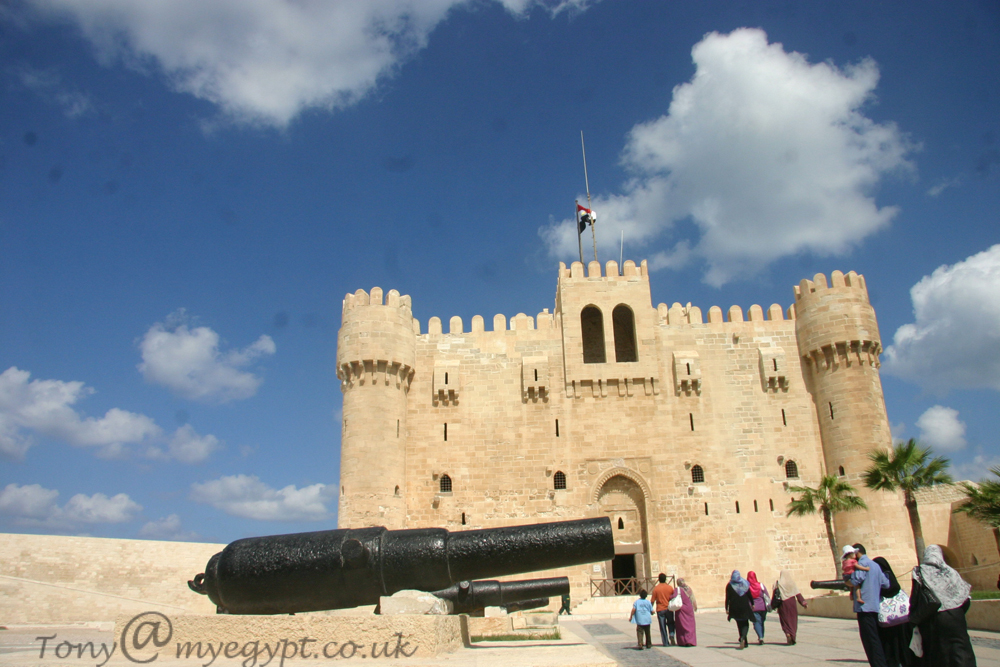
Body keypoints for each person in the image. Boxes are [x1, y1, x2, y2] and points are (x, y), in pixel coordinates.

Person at [911, 544, 976, 666]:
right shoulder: (950, 571)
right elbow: (964, 596)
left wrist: (914, 617)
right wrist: (957, 611)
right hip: (955, 615)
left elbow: (916, 596)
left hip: (934, 617)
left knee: (939, 651)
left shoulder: (920, 571)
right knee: (961, 647)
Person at [851, 543, 891, 667]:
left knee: (870, 641)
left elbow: (856, 580)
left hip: (864, 608)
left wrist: (849, 577)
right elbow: (886, 584)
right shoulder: (875, 566)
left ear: (857, 553)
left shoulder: (861, 564)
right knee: (876, 638)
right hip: (875, 606)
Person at [871, 557, 914, 667]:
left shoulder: (879, 578)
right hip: (902, 618)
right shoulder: (891, 577)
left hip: (888, 622)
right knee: (905, 646)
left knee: (891, 648)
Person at [773, 570, 808, 645]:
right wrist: (803, 603)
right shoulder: (791, 583)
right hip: (792, 604)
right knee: (793, 620)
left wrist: (772, 605)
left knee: (785, 620)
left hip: (782, 605)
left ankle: (787, 633)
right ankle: (793, 636)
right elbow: (798, 594)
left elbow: (775, 595)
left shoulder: (778, 583)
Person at [725, 570, 754, 649]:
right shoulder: (744, 583)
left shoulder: (729, 585)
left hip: (734, 607)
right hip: (744, 606)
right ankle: (742, 638)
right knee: (745, 624)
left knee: (739, 624)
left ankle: (745, 641)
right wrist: (753, 603)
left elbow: (727, 598)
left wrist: (726, 608)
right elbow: (749, 594)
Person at [650, 573, 676, 646]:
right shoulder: (670, 588)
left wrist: (650, 610)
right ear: (665, 579)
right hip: (669, 608)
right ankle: (671, 634)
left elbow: (652, 601)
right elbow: (673, 597)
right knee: (671, 623)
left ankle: (665, 642)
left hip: (660, 609)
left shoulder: (656, 589)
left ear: (658, 579)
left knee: (662, 626)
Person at [672, 578, 697, 647]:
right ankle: (691, 641)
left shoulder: (678, 590)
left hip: (681, 609)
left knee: (682, 625)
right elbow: (693, 598)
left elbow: (672, 597)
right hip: (689, 609)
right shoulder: (688, 589)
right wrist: (695, 607)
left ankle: (683, 641)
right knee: (690, 625)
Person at [747, 571, 770, 645]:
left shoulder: (747, 587)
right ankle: (761, 636)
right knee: (762, 622)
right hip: (763, 607)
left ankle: (760, 637)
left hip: (753, 608)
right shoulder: (761, 585)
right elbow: (766, 595)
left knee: (756, 622)